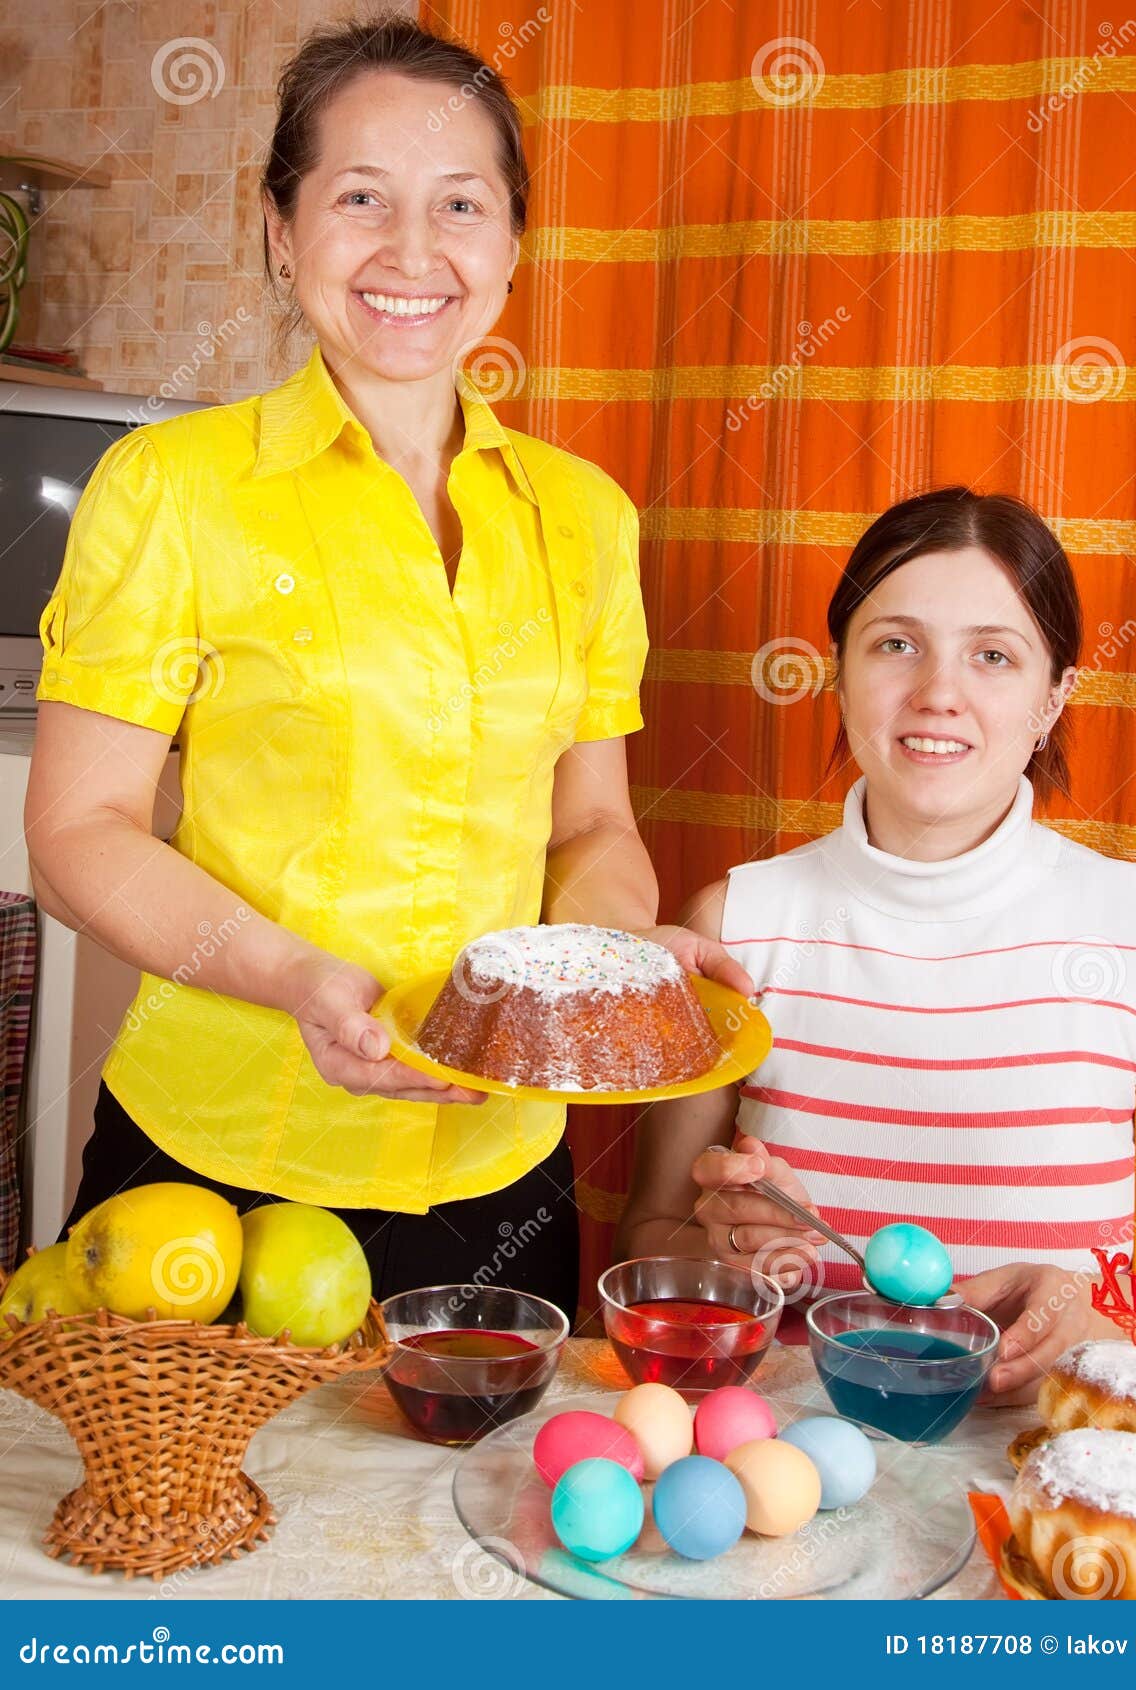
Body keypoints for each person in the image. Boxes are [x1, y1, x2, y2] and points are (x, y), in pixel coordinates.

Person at [25, 18, 747, 1311]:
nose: (412, 253)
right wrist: (294, 978)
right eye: (360, 198)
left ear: (512, 245)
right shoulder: (174, 491)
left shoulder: (582, 518)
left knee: (461, 1513)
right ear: (279, 229)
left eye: (459, 205)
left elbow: (588, 823)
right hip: (221, 1150)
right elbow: (79, 832)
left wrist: (617, 957)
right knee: (171, 1514)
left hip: (499, 1158)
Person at [616, 486, 1136, 1404]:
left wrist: (1093, 1313)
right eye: (895, 644)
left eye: (992, 656)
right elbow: (647, 1240)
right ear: (838, 670)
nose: (937, 695)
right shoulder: (732, 926)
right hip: (793, 1440)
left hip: (1037, 1453)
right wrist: (725, 1254)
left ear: (1054, 696)